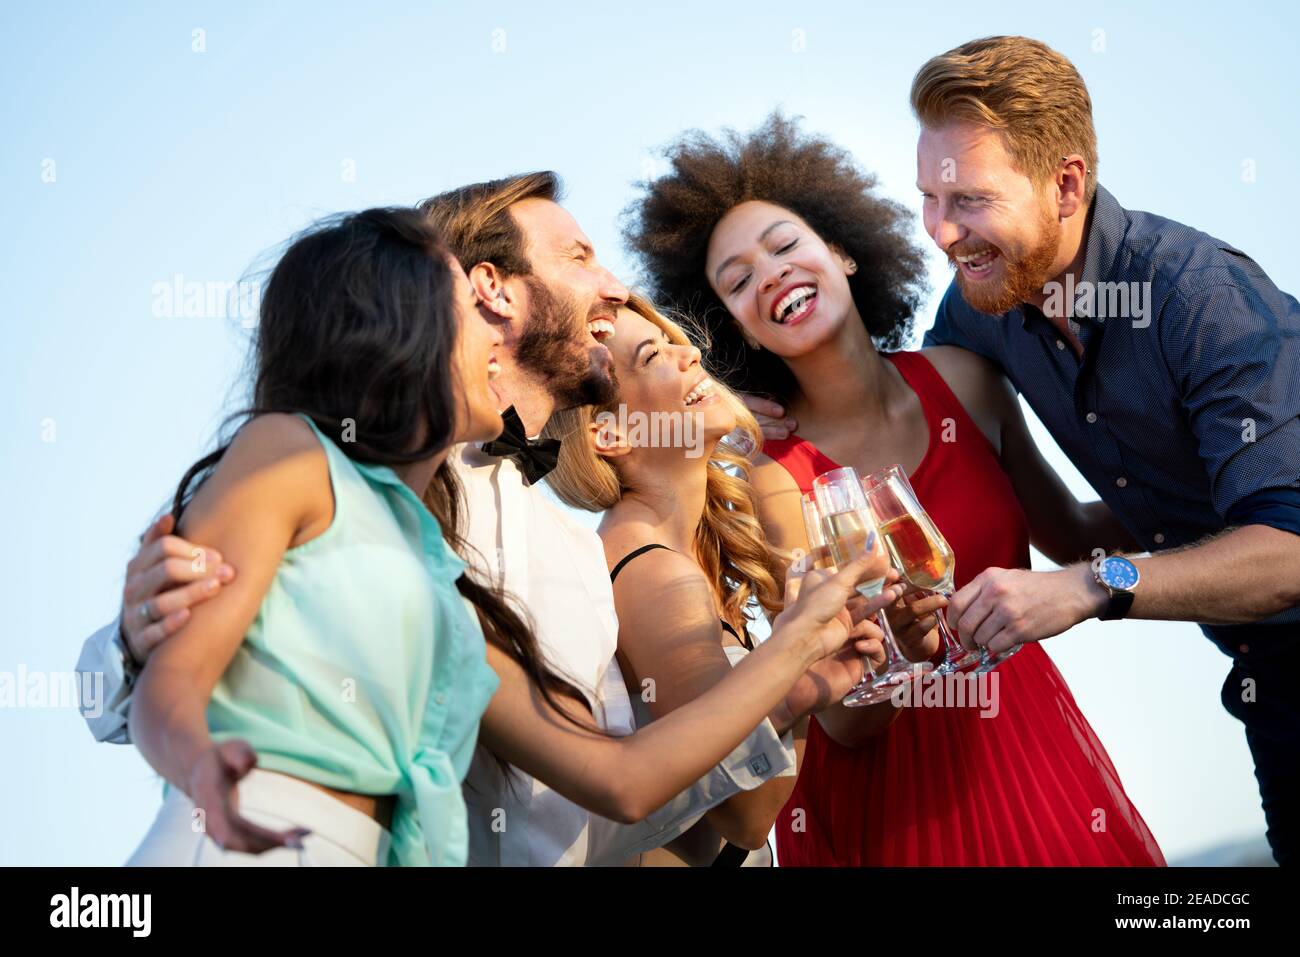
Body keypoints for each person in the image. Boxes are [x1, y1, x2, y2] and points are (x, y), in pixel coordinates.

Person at [78, 174, 888, 866]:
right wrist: (139, 643)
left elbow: (615, 791)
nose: (613, 286)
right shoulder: (316, 464)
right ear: (486, 293)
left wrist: (792, 675)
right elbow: (155, 674)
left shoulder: (531, 573)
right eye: (579, 256)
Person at [624, 111, 1166, 865]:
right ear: (738, 328)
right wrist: (909, 652)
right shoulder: (773, 478)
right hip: (890, 801)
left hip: (1026, 743)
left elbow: (1072, 534)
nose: (769, 274)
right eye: (738, 281)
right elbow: (843, 720)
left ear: (843, 252)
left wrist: (1218, 501)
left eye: (784, 246)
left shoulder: (967, 381)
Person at [905, 36, 1300, 865]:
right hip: (1272, 682)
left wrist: (1092, 586)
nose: (941, 232)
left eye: (969, 199)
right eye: (930, 199)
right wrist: (765, 392)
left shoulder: (1202, 300)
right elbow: (901, 402)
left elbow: (1289, 552)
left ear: (1066, 184)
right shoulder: (980, 306)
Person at [124, 207, 510, 866]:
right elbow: (170, 683)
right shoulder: (290, 453)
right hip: (250, 837)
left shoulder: (427, 554)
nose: (493, 330)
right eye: (470, 307)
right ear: (405, 323)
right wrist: (201, 765)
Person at [545, 295, 905, 864]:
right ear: (609, 435)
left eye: (675, 341)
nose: (689, 354)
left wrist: (811, 668)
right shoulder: (656, 571)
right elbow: (746, 817)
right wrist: (799, 666)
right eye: (652, 355)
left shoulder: (669, 553)